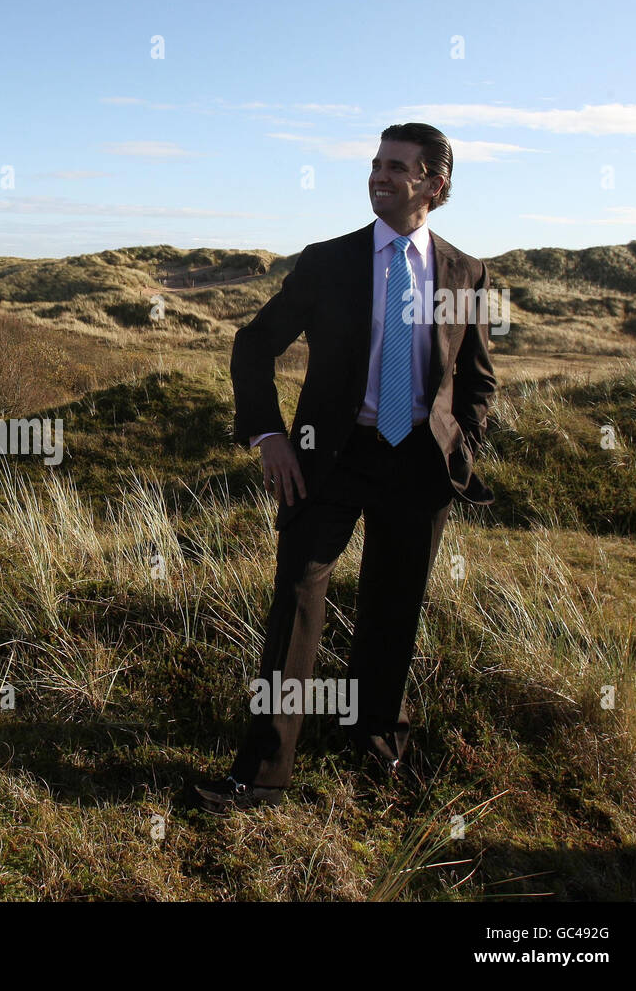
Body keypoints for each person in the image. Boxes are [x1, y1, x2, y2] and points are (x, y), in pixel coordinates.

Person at [198, 122, 498, 813]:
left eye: (396, 167)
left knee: (394, 609)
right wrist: (268, 435)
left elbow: (479, 377)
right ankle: (262, 773)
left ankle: (376, 749)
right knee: (297, 602)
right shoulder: (327, 261)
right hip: (325, 460)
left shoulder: (465, 273)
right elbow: (254, 344)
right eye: (375, 163)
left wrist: (463, 442)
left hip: (418, 465)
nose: (378, 175)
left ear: (434, 182)